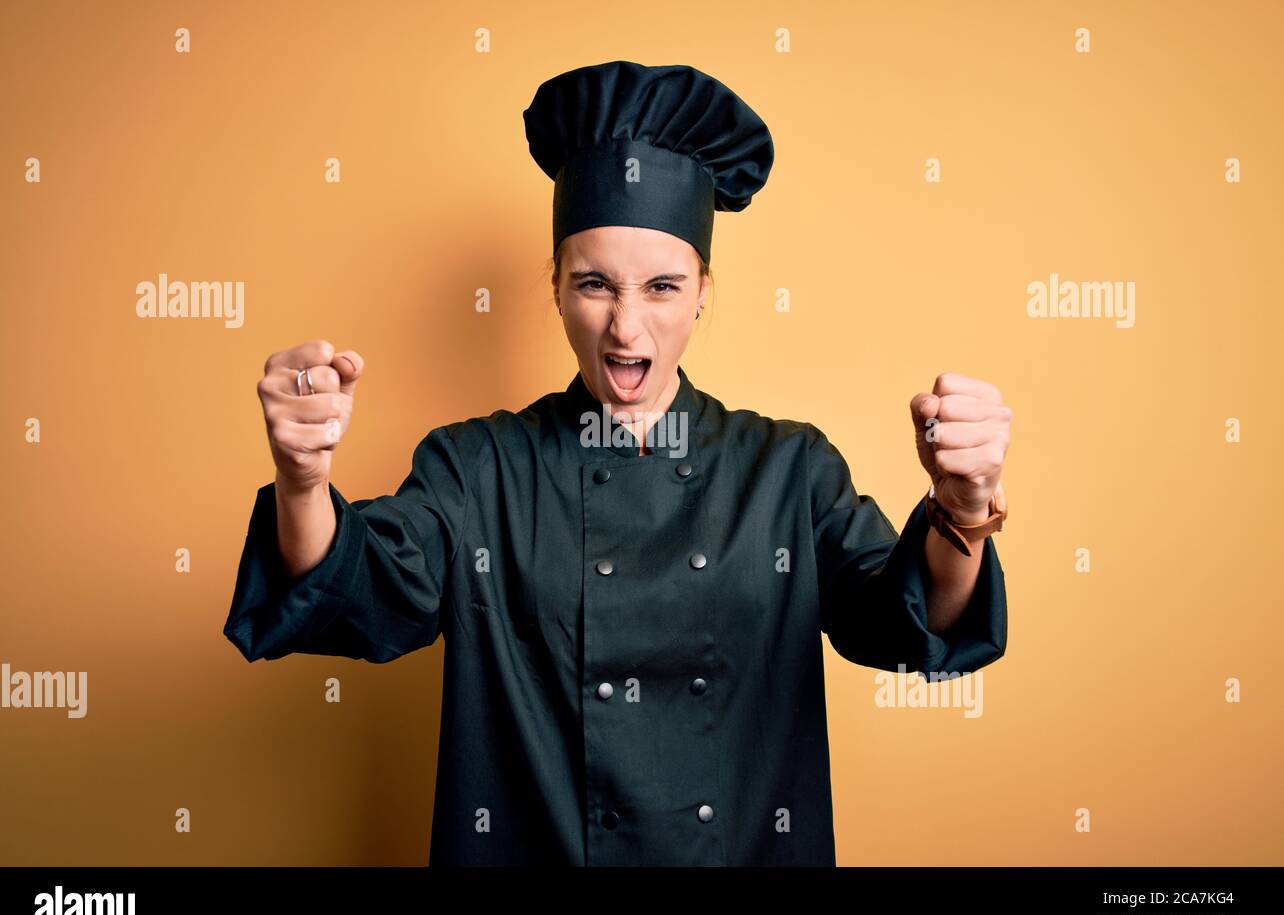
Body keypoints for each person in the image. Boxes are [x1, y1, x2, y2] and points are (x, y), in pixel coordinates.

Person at [223, 60, 1011, 867]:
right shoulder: (478, 466)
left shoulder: (788, 470)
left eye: (663, 287)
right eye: (595, 284)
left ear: (704, 290)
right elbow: (357, 590)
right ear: (555, 286)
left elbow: (909, 624)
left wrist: (962, 508)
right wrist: (302, 480)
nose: (626, 331)